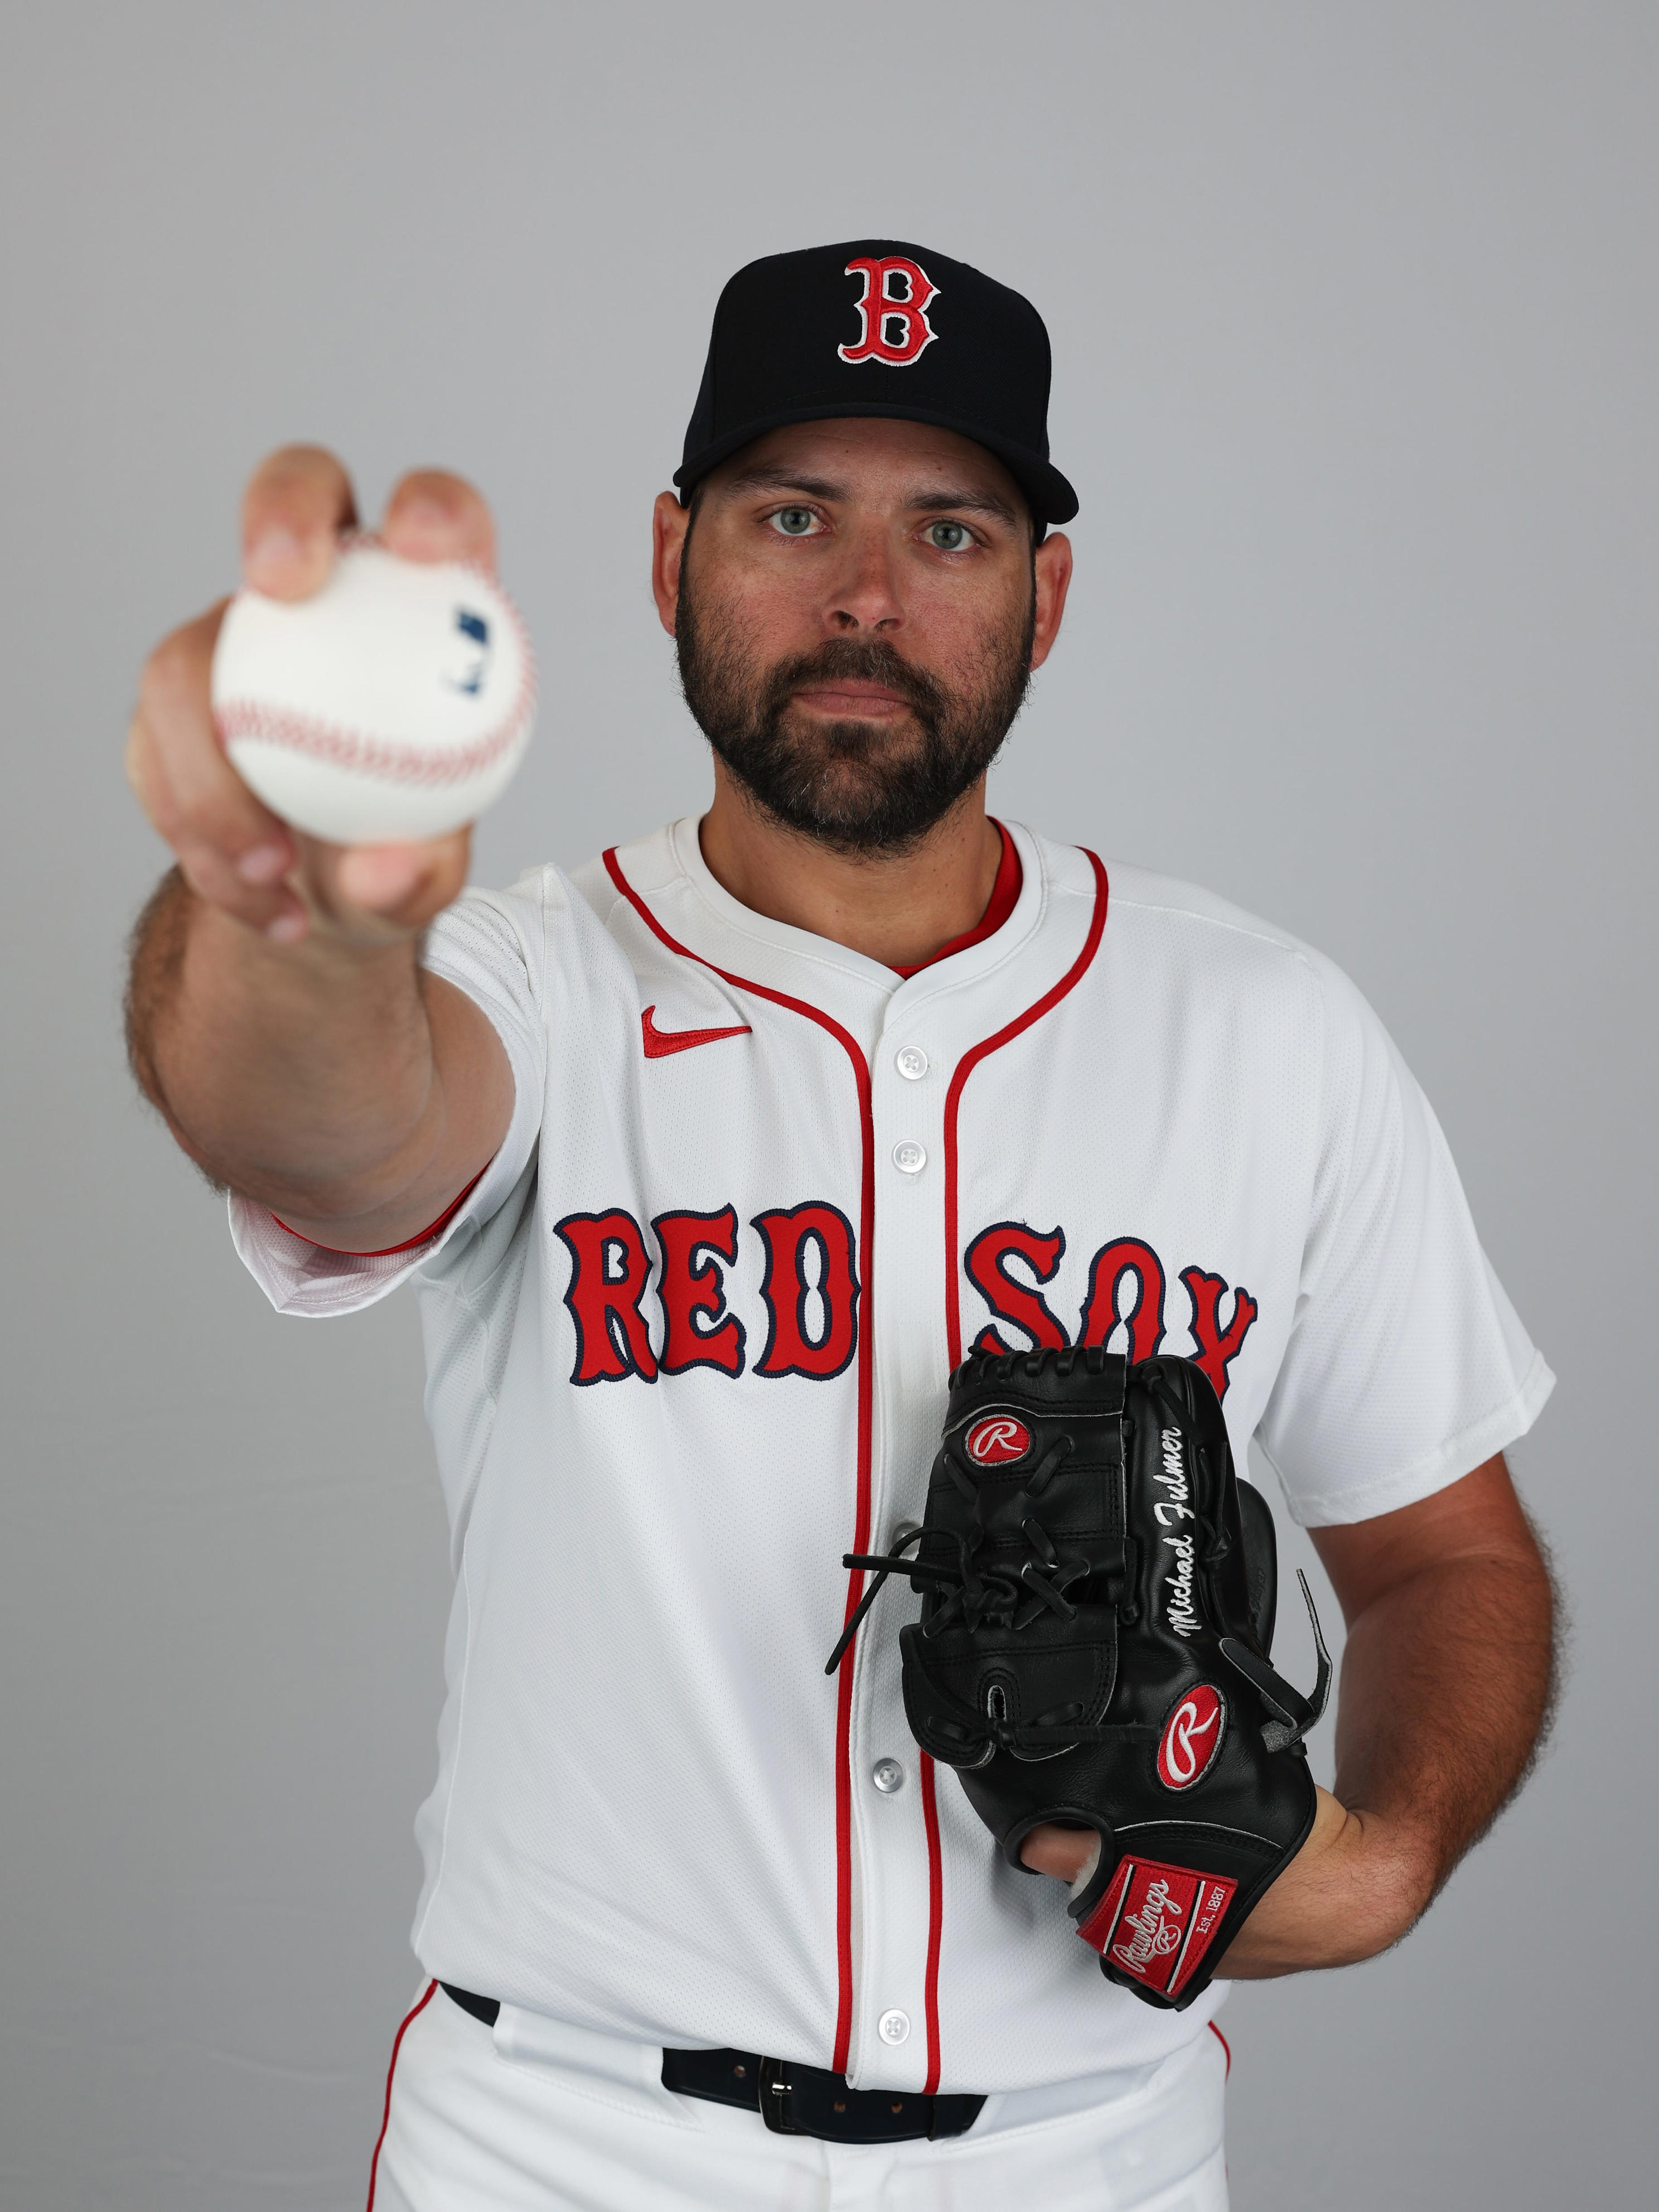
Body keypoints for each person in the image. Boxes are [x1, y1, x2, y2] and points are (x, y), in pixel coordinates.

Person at [123, 242, 1557, 2211]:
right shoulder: (526, 979)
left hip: (1095, 2160)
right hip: (567, 2151)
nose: (865, 599)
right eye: (794, 514)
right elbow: (330, 1130)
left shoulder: (1269, 1031)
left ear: (1046, 596)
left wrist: (1391, 1852)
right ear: (669, 556)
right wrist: (288, 922)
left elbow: (1448, 1559)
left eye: (949, 530)